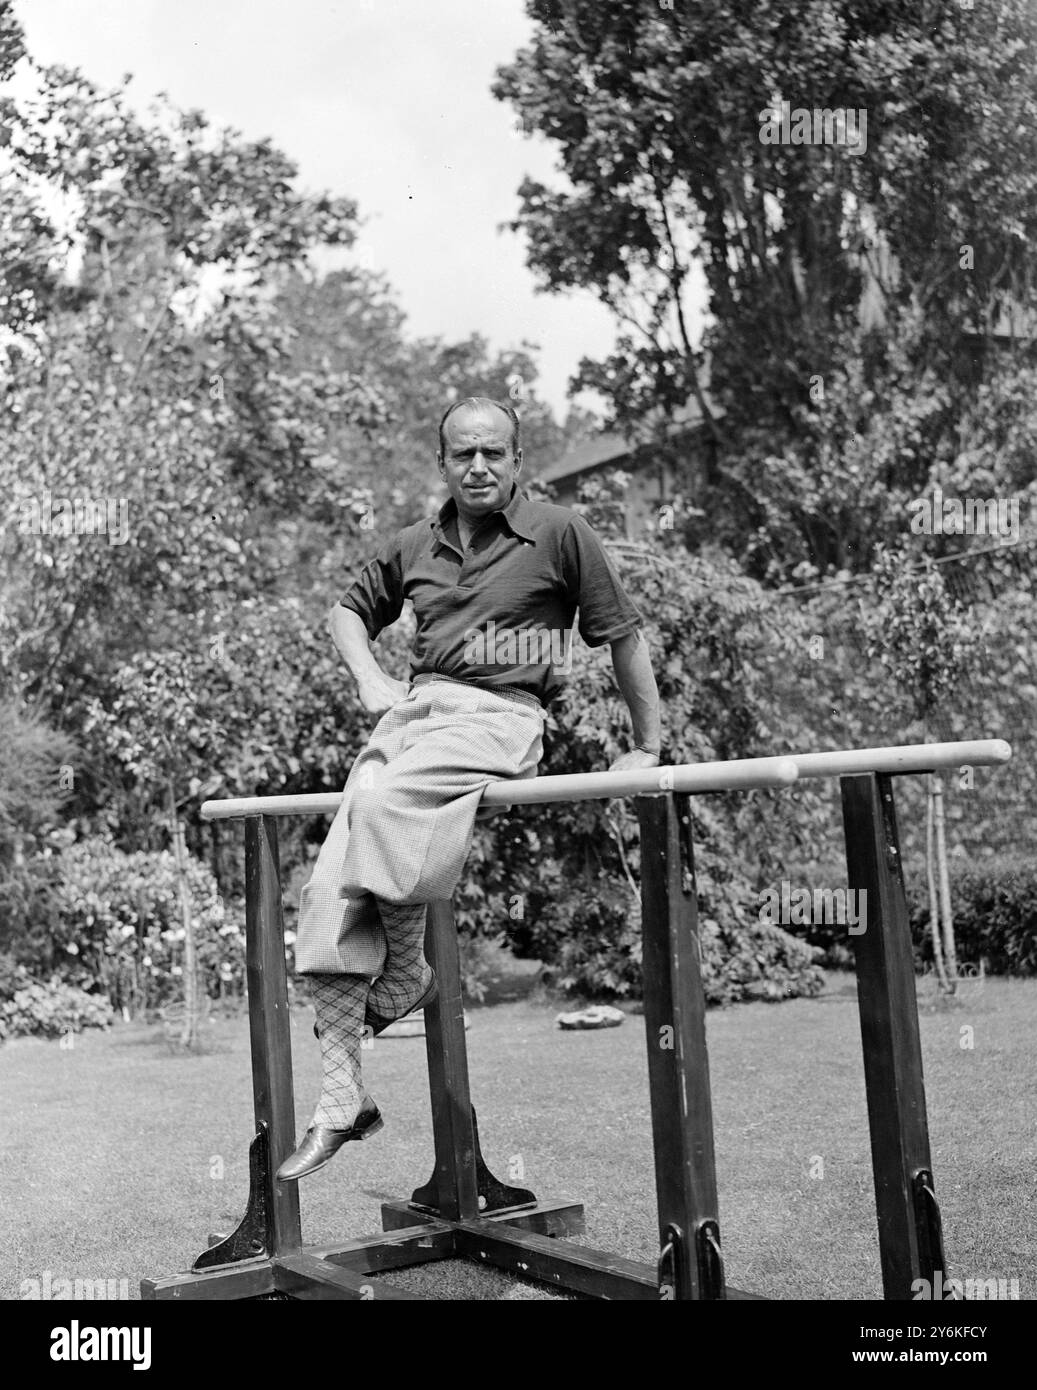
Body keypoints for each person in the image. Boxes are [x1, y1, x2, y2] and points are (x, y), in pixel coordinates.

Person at [277, 395, 661, 1180]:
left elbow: (621, 637)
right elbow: (346, 613)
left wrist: (646, 745)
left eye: (493, 453)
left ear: (518, 459)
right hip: (415, 718)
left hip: (498, 717)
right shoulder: (414, 543)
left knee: (383, 806)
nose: (478, 467)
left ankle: (406, 972)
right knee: (327, 887)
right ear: (443, 463)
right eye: (462, 455)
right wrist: (369, 678)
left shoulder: (559, 532)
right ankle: (342, 1099)